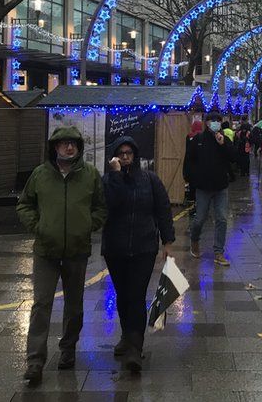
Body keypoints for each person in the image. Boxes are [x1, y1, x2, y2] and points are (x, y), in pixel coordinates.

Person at [17, 126, 107, 384]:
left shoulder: (89, 175)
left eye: (73, 143)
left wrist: (87, 226)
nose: (69, 147)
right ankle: (35, 360)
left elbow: (101, 207)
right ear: (54, 147)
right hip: (46, 251)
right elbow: (25, 204)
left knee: (74, 305)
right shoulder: (40, 175)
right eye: (64, 143)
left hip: (77, 252)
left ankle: (68, 348)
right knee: (41, 305)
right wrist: (38, 227)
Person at [102, 136, 174, 372]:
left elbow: (163, 209)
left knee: (136, 295)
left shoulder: (150, 180)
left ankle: (135, 347)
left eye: (128, 153)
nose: (125, 157)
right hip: (116, 248)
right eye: (120, 153)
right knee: (123, 296)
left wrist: (168, 242)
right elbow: (110, 204)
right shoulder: (109, 180)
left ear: (135, 155)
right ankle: (126, 335)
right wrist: (115, 176)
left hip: (143, 248)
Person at [184, 112, 234, 266]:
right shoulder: (198, 140)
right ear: (206, 123)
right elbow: (189, 161)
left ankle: (218, 251)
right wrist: (190, 180)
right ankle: (194, 239)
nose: (216, 124)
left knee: (222, 218)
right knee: (199, 219)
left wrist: (223, 144)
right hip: (203, 187)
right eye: (213, 121)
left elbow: (233, 156)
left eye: (218, 121)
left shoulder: (223, 140)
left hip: (220, 186)